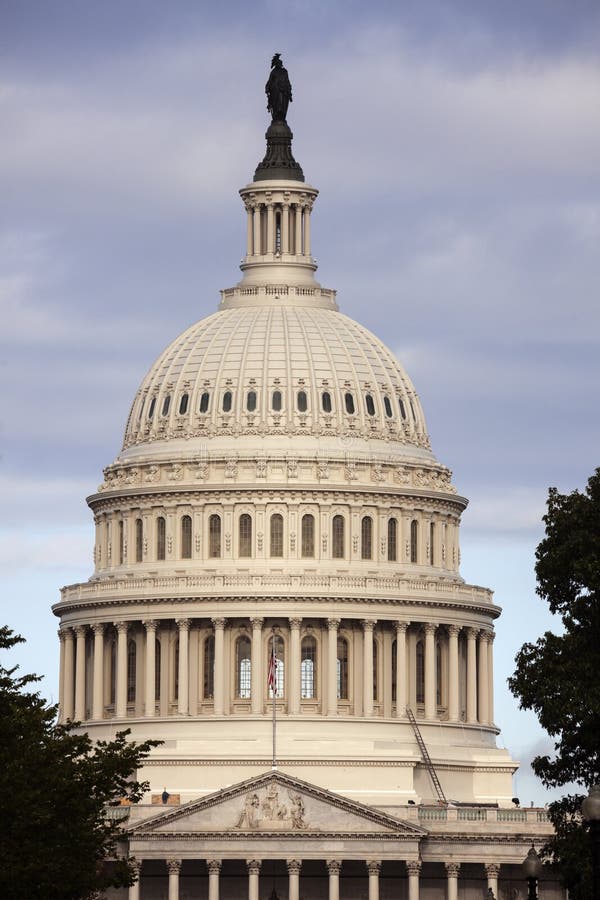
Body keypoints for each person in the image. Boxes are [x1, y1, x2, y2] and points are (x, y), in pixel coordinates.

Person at [265, 53, 292, 122]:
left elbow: (287, 81)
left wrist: (289, 91)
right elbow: (269, 81)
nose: (280, 64)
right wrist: (267, 88)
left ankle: (282, 116)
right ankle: (277, 115)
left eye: (280, 63)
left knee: (283, 104)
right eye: (279, 62)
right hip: (276, 90)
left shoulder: (284, 71)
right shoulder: (273, 72)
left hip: (284, 91)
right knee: (277, 104)